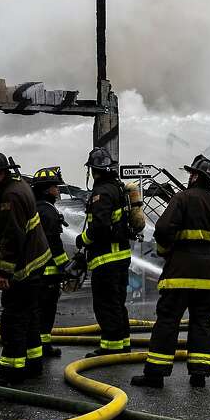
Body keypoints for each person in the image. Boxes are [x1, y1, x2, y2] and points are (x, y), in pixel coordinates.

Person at [132, 155, 210, 388]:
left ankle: (155, 374)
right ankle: (199, 374)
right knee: (203, 324)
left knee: (168, 322)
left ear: (195, 176)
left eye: (191, 174)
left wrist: (165, 251)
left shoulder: (181, 198)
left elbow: (163, 229)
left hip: (179, 274)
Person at [0, 150, 51, 386]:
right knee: (29, 315)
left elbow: (12, 236)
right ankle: (34, 364)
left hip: (23, 265)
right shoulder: (17, 185)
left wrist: (4, 272)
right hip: (35, 260)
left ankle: (11, 371)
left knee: (13, 319)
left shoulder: (12, 197)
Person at [80, 148, 134, 357]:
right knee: (117, 302)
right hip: (121, 258)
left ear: (93, 171)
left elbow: (99, 227)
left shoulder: (101, 193)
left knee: (105, 304)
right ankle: (123, 342)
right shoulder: (117, 188)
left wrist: (82, 239)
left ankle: (111, 347)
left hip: (106, 260)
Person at [30, 166, 70, 358]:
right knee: (46, 311)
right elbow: (54, 243)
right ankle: (43, 347)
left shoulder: (35, 209)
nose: (58, 190)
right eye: (55, 187)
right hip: (48, 273)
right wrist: (65, 266)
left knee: (37, 310)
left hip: (35, 271)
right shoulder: (48, 211)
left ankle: (41, 345)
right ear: (47, 189)